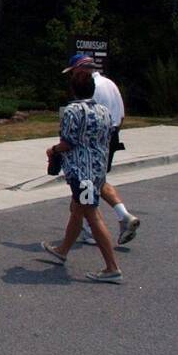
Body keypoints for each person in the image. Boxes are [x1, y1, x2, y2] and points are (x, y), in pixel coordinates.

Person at [42, 65, 124, 283]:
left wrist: (53, 150)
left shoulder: (72, 112)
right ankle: (61, 251)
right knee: (77, 211)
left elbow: (68, 142)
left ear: (73, 89)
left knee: (91, 215)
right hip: (98, 171)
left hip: (82, 173)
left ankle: (112, 267)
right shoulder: (104, 112)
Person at [62, 54, 140, 245]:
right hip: (109, 136)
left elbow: (82, 121)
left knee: (85, 191)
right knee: (99, 181)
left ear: (79, 72)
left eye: (72, 73)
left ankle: (91, 231)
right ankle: (123, 215)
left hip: (86, 145)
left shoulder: (89, 90)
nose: (71, 77)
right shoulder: (110, 83)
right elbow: (120, 116)